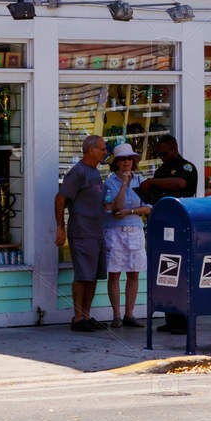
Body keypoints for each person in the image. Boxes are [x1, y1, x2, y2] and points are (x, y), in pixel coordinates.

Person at [137, 135, 201, 335]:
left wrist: (153, 182)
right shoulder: (162, 170)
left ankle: (183, 320)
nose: (162, 157)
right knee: (166, 272)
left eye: (164, 153)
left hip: (181, 225)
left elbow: (180, 184)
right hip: (164, 225)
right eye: (159, 154)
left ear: (174, 148)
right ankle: (171, 319)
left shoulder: (186, 167)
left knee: (181, 274)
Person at [55, 135, 109, 332]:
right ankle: (78, 318)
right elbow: (60, 199)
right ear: (91, 150)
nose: (105, 152)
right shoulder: (78, 172)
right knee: (83, 275)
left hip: (97, 231)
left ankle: (86, 315)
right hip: (82, 231)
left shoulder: (95, 172)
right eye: (102, 149)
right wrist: (60, 227)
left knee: (93, 276)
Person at [103, 143, 148, 327]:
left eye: (129, 159)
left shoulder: (141, 181)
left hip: (135, 230)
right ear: (116, 162)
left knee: (133, 274)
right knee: (114, 274)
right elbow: (115, 207)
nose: (126, 162)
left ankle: (130, 314)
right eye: (122, 159)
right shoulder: (110, 182)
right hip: (115, 231)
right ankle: (116, 315)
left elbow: (148, 207)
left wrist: (131, 212)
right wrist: (123, 184)